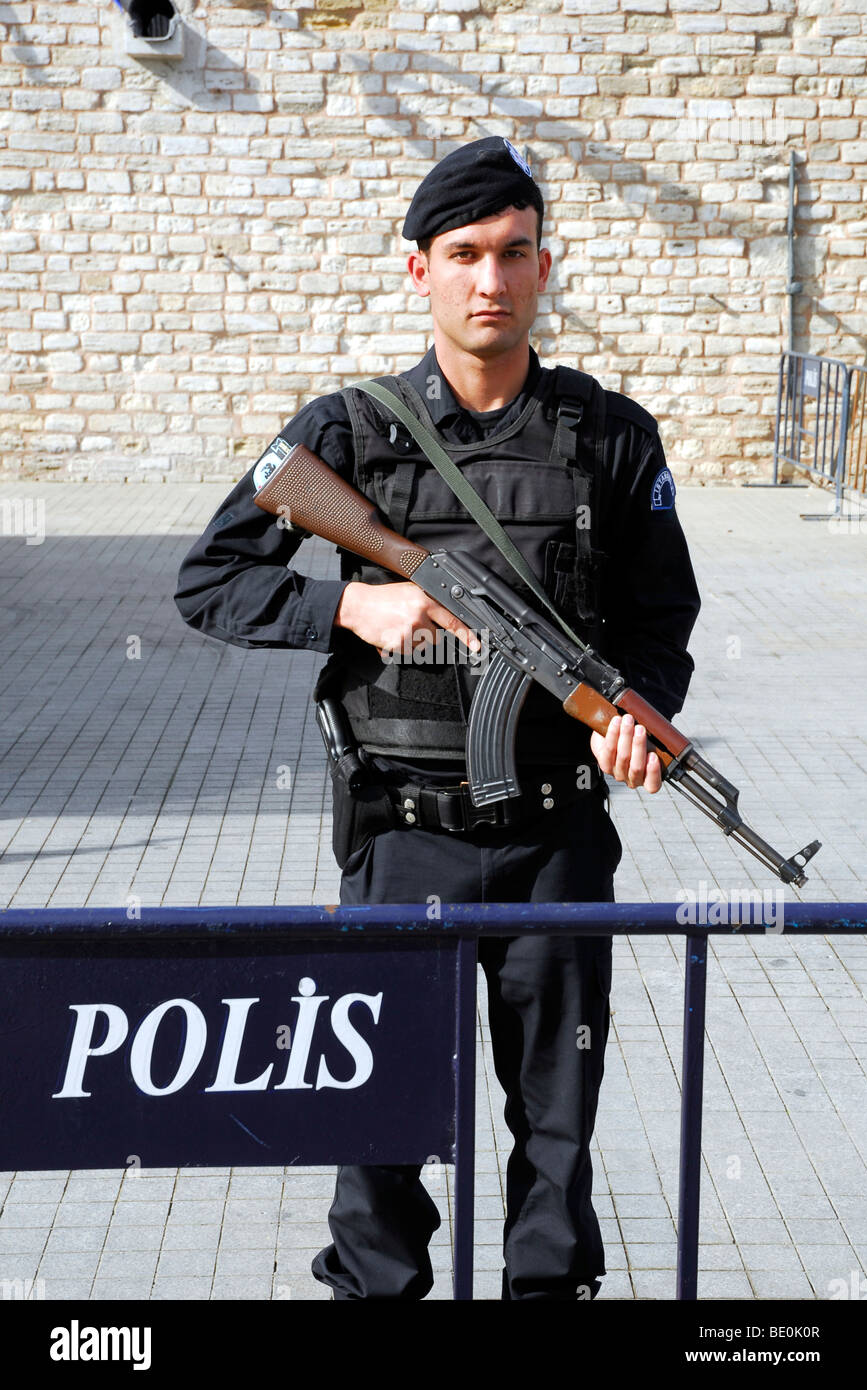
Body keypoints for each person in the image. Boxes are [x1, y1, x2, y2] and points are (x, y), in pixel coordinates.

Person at [174, 136, 701, 1301]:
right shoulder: (351, 432)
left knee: (556, 1125)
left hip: (559, 837)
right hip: (400, 833)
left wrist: (640, 713)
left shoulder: (611, 436)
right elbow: (208, 579)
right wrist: (348, 603)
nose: (491, 280)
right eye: (464, 254)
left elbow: (663, 617)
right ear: (419, 270)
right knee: (382, 1118)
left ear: (545, 267)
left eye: (515, 254)